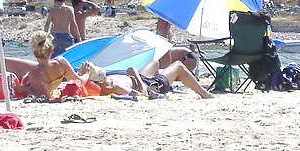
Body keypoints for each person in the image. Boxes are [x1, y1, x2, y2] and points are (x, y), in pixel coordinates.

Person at [79, 55, 214, 99]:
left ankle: (167, 77)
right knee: (179, 65)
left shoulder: (101, 81)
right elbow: (142, 94)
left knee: (154, 61)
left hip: (141, 77)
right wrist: (136, 74)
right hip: (148, 84)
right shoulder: (112, 86)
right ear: (100, 79)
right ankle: (205, 94)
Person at [22, 31, 87, 99]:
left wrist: (26, 89)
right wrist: (86, 73)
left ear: (34, 52)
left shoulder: (35, 73)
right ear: (52, 51)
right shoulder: (61, 63)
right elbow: (80, 81)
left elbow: (46, 97)